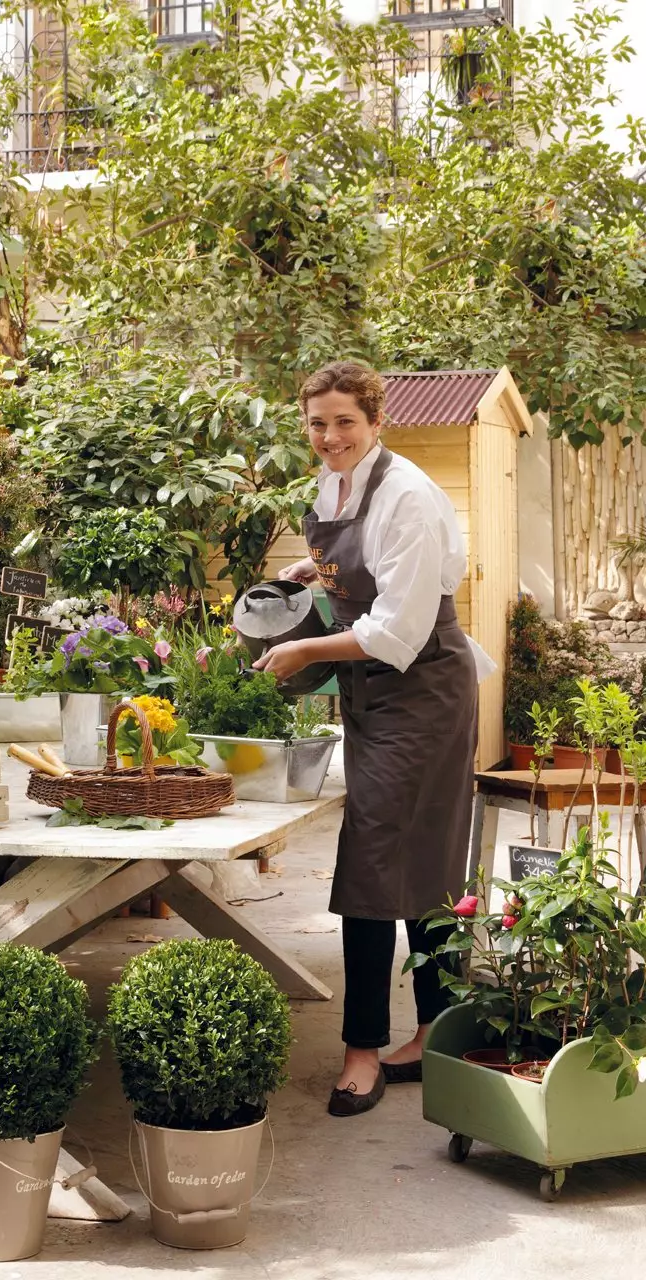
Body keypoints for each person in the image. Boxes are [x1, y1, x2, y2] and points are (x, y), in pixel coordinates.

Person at [252, 361, 494, 1117]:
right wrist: (314, 575)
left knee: (370, 865)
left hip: (421, 691)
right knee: (422, 862)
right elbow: (362, 575)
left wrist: (303, 652)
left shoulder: (411, 498)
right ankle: (437, 1031)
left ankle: (363, 1051)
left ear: (376, 420)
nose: (329, 438)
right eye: (317, 424)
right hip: (374, 697)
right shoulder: (333, 485)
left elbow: (396, 627)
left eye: (344, 422)